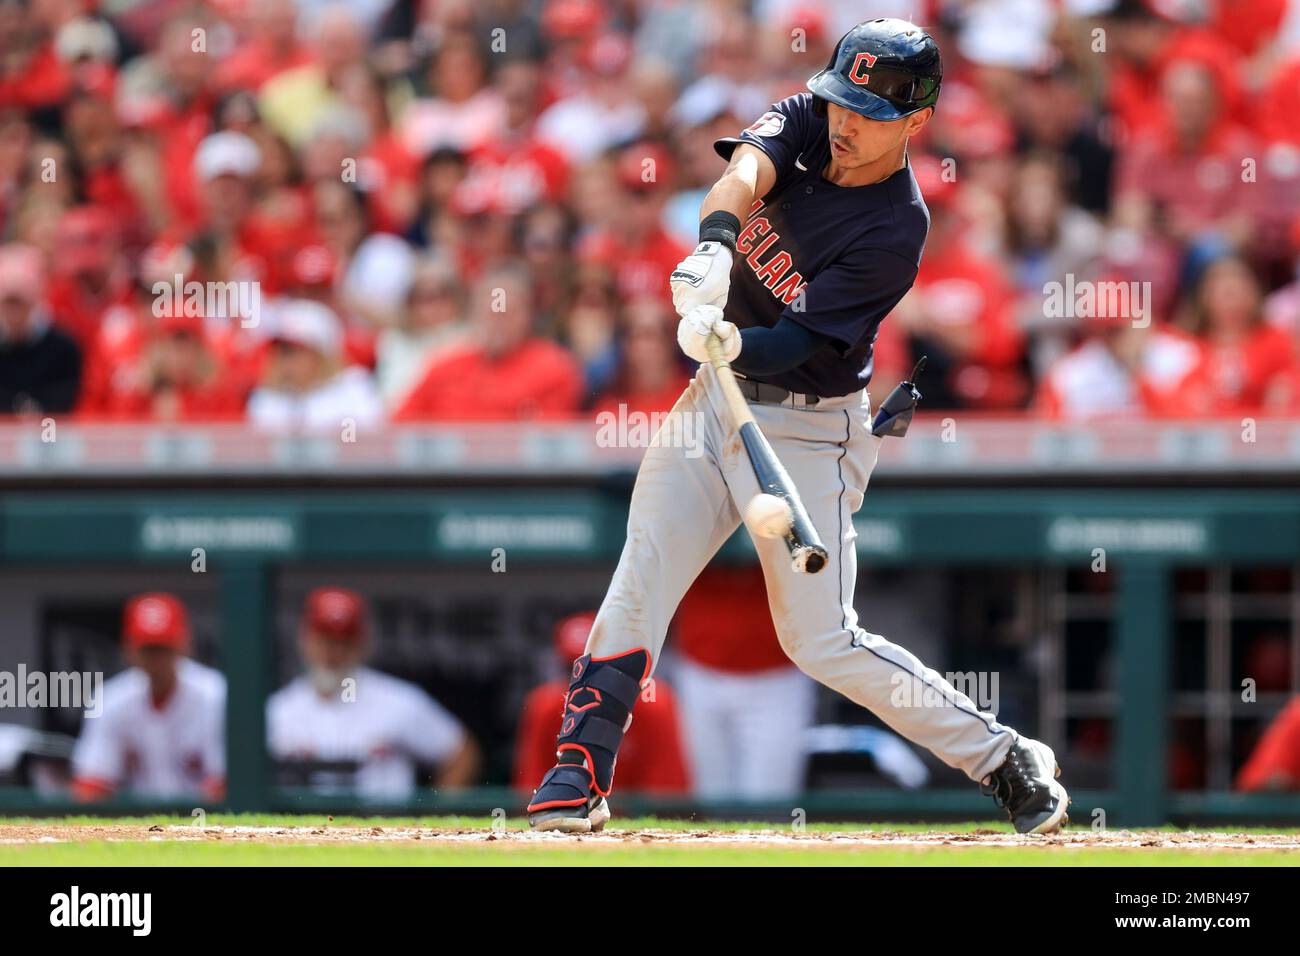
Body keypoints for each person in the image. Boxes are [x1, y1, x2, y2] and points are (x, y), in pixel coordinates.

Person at [525, 19, 1069, 836]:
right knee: (643, 573)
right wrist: (714, 244)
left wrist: (734, 336)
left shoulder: (896, 227)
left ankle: (999, 755)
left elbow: (802, 344)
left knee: (820, 642)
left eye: (868, 114)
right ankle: (580, 767)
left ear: (916, 121)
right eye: (841, 102)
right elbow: (745, 170)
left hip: (811, 426)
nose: (845, 123)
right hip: (715, 400)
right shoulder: (816, 118)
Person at [267, 586, 479, 800]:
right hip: (302, 830)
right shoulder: (278, 710)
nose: (334, 652)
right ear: (304, 639)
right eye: (326, 639)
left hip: (381, 826)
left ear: (363, 644)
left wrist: (434, 817)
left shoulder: (397, 700)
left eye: (345, 641)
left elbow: (462, 754)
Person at [71, 593, 226, 801]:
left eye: (164, 648)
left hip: (205, 823)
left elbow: (226, 784)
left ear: (184, 644)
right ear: (129, 649)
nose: (157, 659)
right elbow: (91, 783)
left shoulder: (215, 695)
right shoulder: (110, 699)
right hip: (139, 825)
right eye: (148, 649)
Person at [514, 612, 689, 797]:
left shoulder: (653, 703)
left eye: (595, 673)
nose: (583, 684)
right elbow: (530, 789)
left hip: (633, 819)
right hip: (571, 813)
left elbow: (668, 794)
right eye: (574, 672)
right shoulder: (545, 705)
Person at [0, 243, 82, 415]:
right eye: (9, 302)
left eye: (20, 301)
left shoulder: (63, 348)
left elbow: (67, 401)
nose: (14, 310)